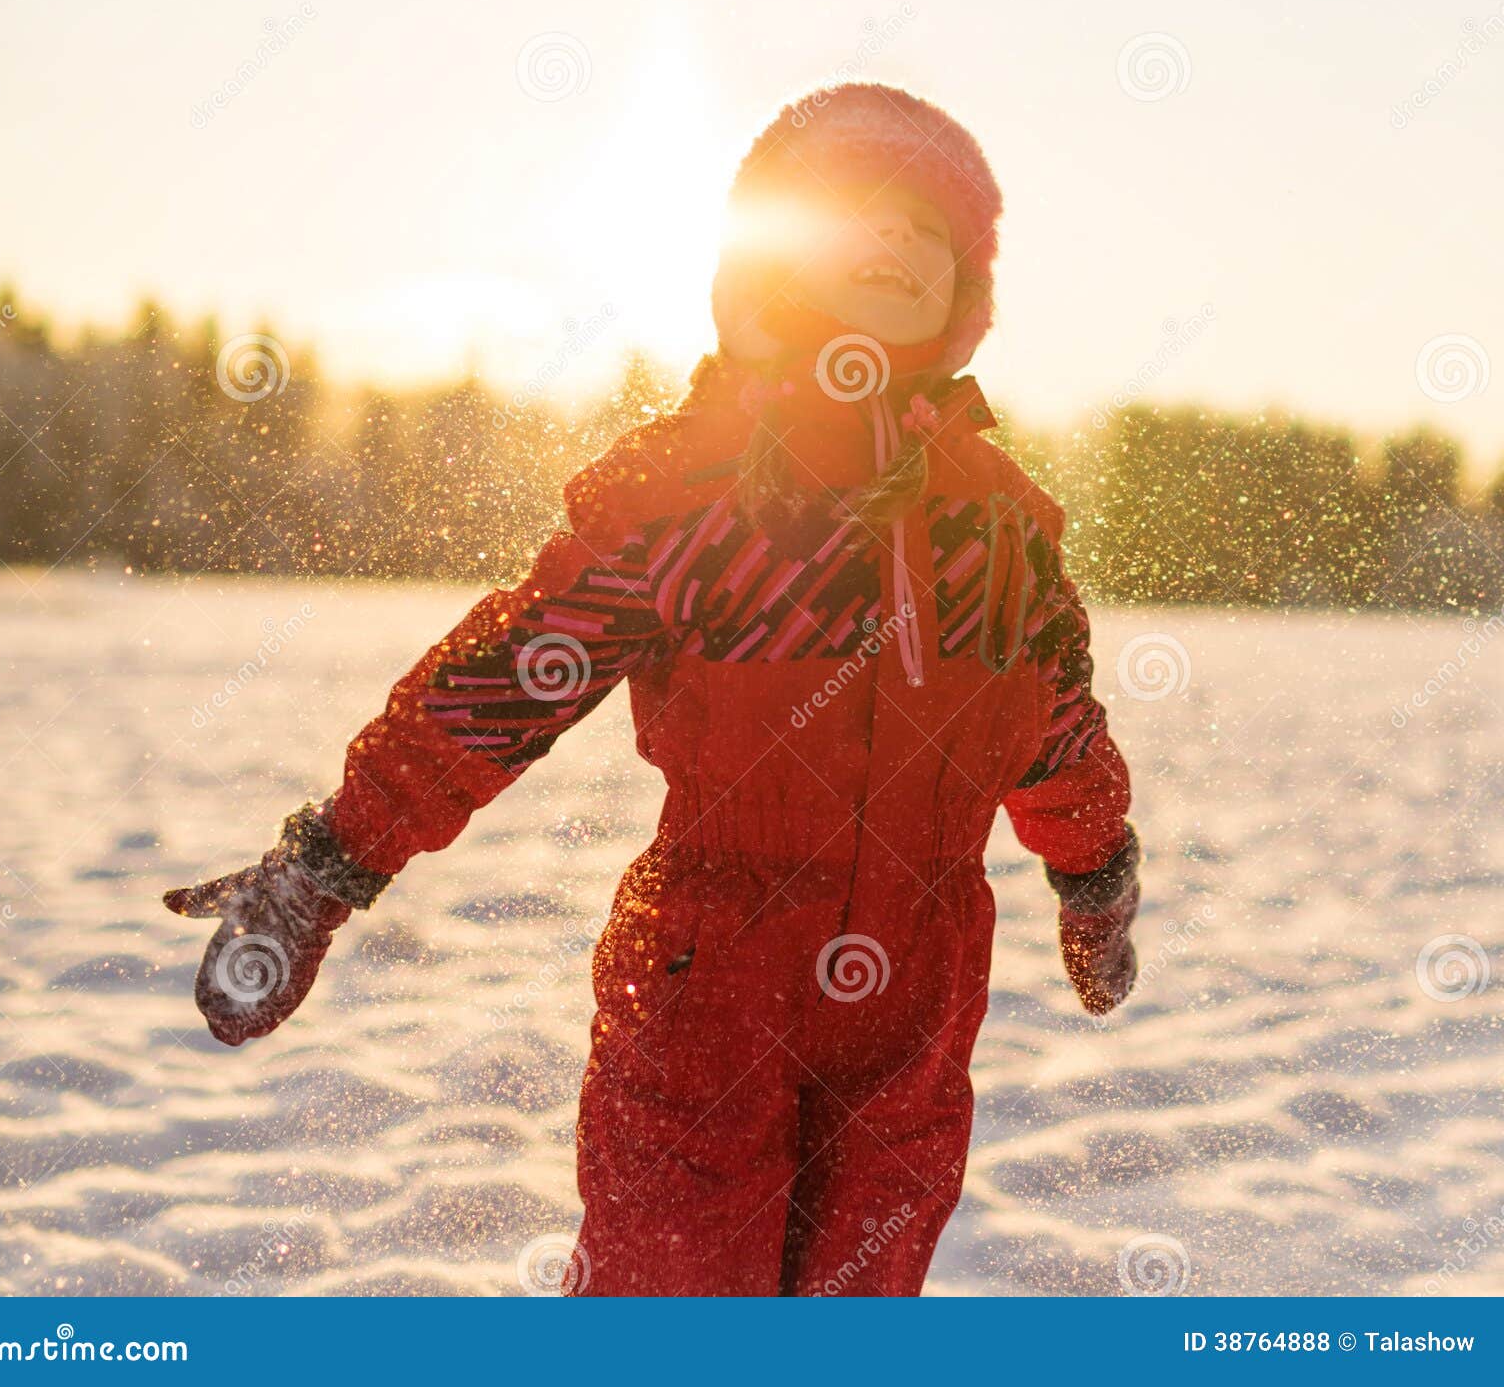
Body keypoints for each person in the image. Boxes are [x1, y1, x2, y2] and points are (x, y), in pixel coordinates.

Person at [165, 82, 1141, 1297]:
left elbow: (1052, 724)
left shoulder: (1000, 524)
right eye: (859, 216)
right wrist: (332, 858)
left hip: (921, 995)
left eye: (928, 233)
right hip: (711, 972)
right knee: (670, 1286)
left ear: (966, 292)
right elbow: (504, 682)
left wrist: (1093, 868)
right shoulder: (695, 490)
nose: (896, 245)